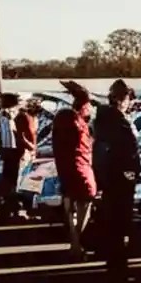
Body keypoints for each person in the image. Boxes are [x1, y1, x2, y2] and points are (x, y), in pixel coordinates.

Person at [92, 79, 141, 279]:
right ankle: (118, 268)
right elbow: (129, 149)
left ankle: (115, 265)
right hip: (120, 177)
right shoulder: (118, 120)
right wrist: (133, 171)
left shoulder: (103, 120)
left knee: (113, 223)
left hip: (109, 176)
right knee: (120, 223)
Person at [52, 81, 97, 261]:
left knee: (70, 206)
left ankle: (75, 243)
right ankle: (76, 243)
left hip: (65, 168)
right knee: (85, 203)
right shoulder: (78, 124)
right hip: (81, 168)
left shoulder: (62, 121)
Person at [0, 93, 33, 219]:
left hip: (14, 153)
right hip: (14, 153)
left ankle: (11, 207)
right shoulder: (13, 116)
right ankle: (12, 207)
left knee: (13, 181)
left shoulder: (11, 116)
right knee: (13, 181)